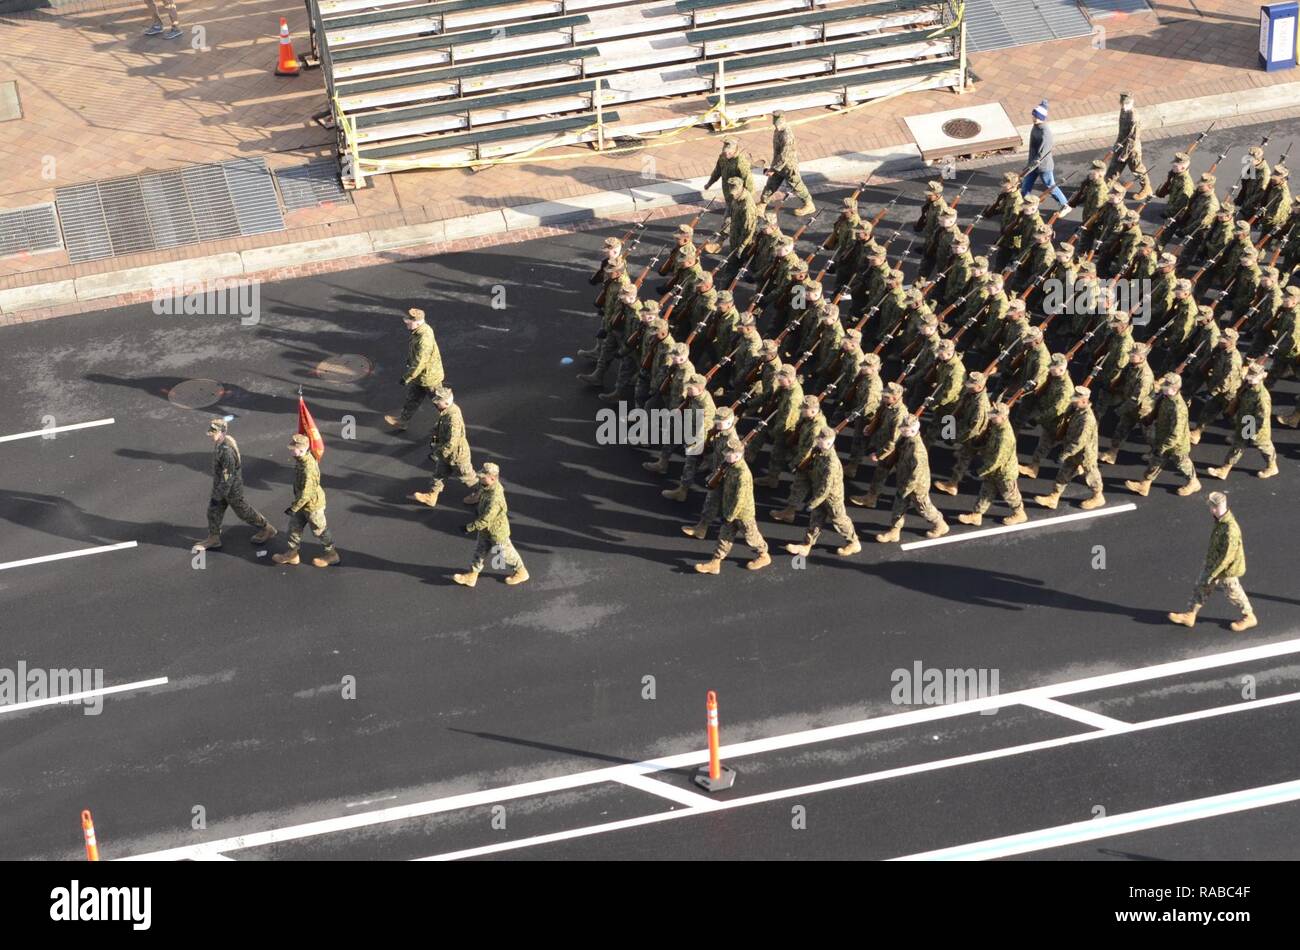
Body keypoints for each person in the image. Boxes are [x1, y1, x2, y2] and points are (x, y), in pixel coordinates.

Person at [1167, 492, 1257, 632]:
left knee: (1233, 591)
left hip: (1226, 569)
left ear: (1214, 508)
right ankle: (1190, 615)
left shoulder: (1230, 529)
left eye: (1211, 507)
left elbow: (1227, 557)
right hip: (1214, 564)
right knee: (1202, 587)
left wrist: (1213, 573)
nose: (1210, 510)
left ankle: (1249, 616)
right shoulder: (1221, 521)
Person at [193, 418, 276, 551]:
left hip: (230, 489)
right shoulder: (221, 442)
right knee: (213, 512)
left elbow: (228, 477)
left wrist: (218, 495)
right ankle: (214, 539)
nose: (211, 435)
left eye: (214, 432)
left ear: (222, 432)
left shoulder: (226, 450)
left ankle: (267, 529)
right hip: (223, 486)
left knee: (243, 512)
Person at [694, 436, 770, 573]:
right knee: (724, 536)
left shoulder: (743, 474)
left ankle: (764, 555)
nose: (726, 456)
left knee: (752, 537)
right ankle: (715, 562)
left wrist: (729, 515)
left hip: (742, 514)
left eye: (729, 454)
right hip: (729, 510)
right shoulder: (729, 465)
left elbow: (740, 500)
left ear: (738, 454)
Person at [784, 426, 861, 557]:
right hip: (818, 494)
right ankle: (806, 545)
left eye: (821, 441)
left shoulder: (831, 463)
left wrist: (813, 503)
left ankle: (854, 543)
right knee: (815, 520)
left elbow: (826, 488)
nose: (818, 442)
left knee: (840, 520)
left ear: (830, 442)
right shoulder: (819, 452)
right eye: (818, 439)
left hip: (831, 498)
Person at [453, 462, 529, 587]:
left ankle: (521, 572)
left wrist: (468, 528)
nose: (480, 478)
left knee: (505, 553)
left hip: (496, 531)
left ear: (493, 478)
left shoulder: (495, 498)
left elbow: (486, 520)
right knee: (479, 551)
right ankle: (472, 576)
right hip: (485, 530)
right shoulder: (486, 486)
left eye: (483, 476)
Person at [272, 435, 340, 567]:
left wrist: (294, 508)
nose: (291, 450)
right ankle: (292, 554)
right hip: (302, 504)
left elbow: (307, 493)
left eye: (294, 448)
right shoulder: (301, 459)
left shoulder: (308, 468)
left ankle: (332, 555)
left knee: (320, 530)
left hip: (312, 506)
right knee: (294, 528)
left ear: (302, 449)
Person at [413, 387, 478, 508]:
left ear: (447, 402)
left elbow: (452, 442)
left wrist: (438, 452)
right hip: (445, 452)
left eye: (438, 400)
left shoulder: (453, 418)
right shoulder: (445, 411)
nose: (435, 402)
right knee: (438, 474)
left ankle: (482, 493)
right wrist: (434, 442)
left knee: (468, 477)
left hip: (457, 455)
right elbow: (437, 429)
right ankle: (431, 497)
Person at [385, 308, 444, 431]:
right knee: (412, 398)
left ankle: (447, 425)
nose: (406, 323)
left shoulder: (424, 338)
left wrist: (407, 377)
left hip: (430, 377)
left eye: (408, 321)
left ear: (417, 322)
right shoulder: (419, 330)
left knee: (441, 403)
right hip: (420, 376)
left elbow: (420, 362)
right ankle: (403, 421)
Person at [760, 111, 816, 216]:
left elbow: (784, 156)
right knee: (771, 184)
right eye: (775, 125)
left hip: (788, 167)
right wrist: (774, 167)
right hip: (777, 164)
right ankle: (762, 204)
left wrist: (773, 169)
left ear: (783, 122)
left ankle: (809, 204)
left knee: (796, 186)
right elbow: (778, 152)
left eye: (778, 125)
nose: (776, 127)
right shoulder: (778, 131)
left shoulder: (787, 135)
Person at [1021, 100, 1072, 213]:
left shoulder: (1045, 132)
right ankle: (1027, 204)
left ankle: (1065, 205)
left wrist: (1030, 167)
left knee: (1050, 187)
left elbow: (1042, 154)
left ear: (1042, 118)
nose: (1034, 118)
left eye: (1036, 116)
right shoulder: (1036, 127)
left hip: (1043, 166)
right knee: (1025, 186)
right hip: (1033, 164)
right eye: (1033, 116)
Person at [1106, 92, 1152, 200]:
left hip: (1131, 150)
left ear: (1132, 102)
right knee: (1113, 168)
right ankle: (1104, 189)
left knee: (1137, 169)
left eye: (1126, 104)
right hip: (1121, 145)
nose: (1123, 106)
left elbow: (1133, 138)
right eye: (1122, 104)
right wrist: (1117, 145)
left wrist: (1125, 155)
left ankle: (1146, 188)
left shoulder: (1133, 117)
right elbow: (1122, 131)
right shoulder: (1123, 111)